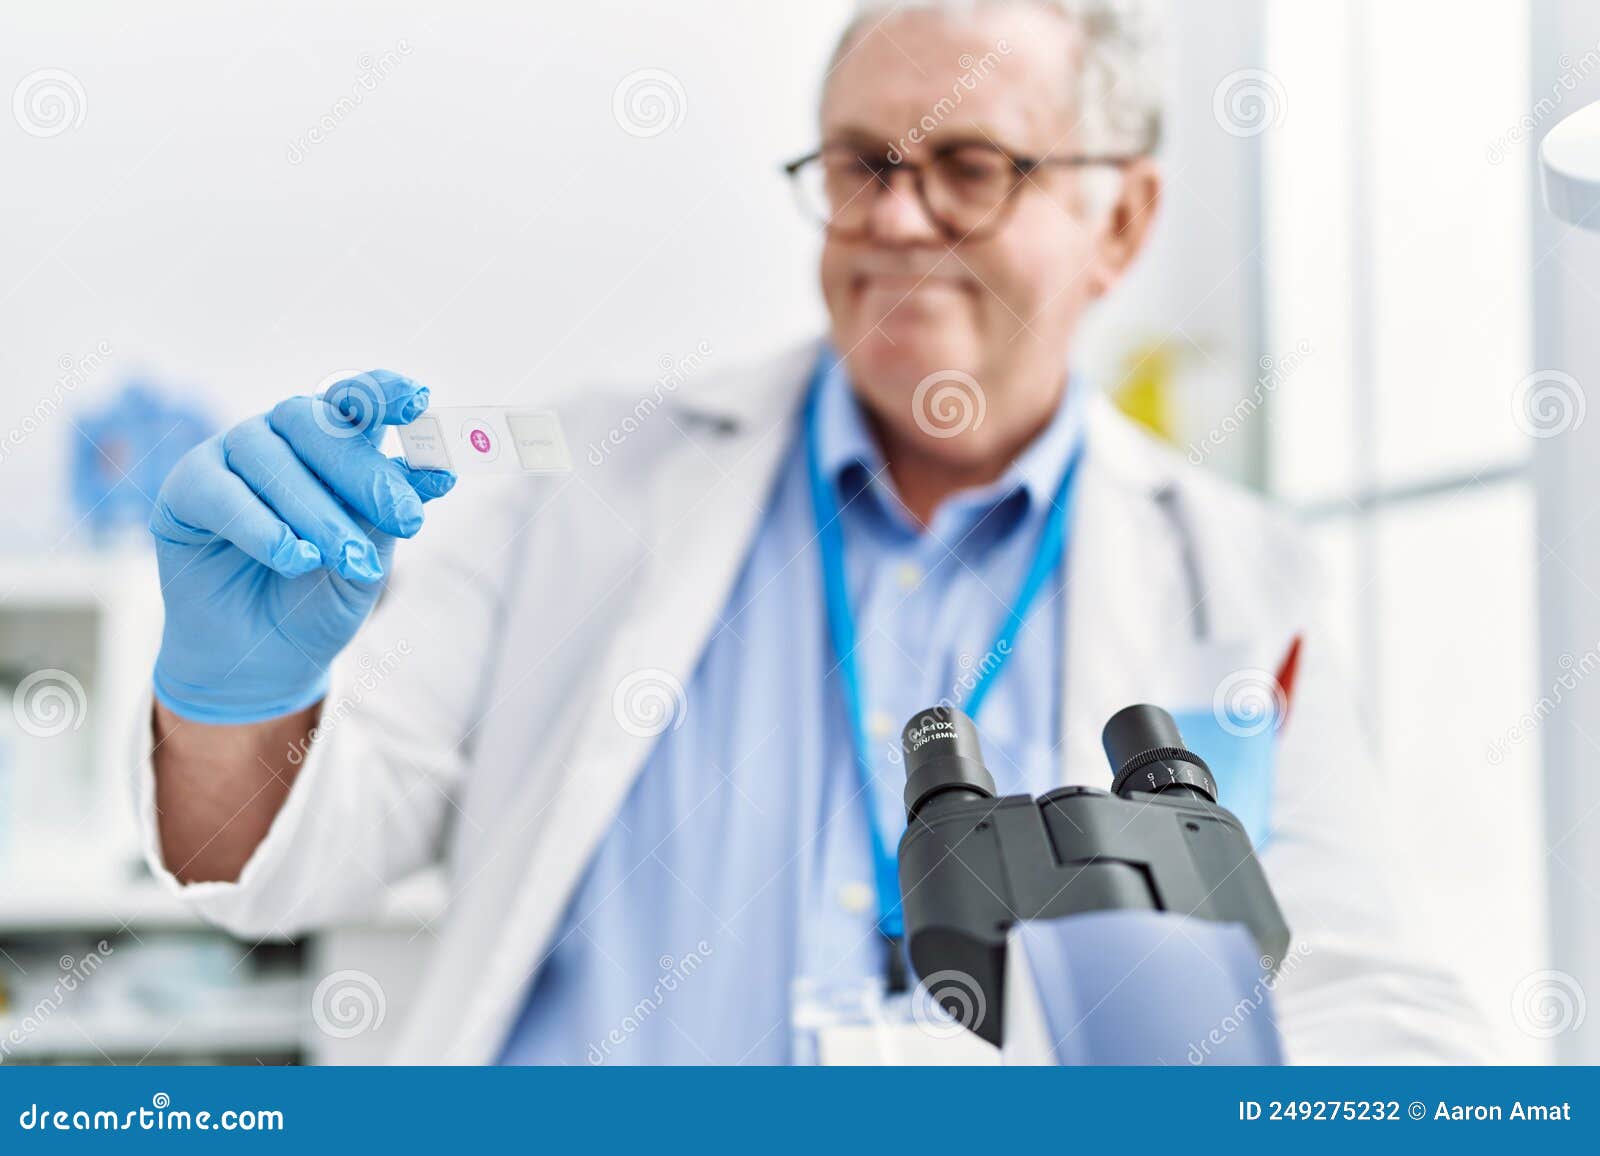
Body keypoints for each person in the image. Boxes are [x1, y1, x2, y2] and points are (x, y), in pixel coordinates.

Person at [138, 0, 1490, 1063]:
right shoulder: (593, 483)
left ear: (1119, 220)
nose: (897, 220)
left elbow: (1362, 996)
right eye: (859, 166)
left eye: (969, 167)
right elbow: (273, 858)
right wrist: (234, 700)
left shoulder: (1243, 581)